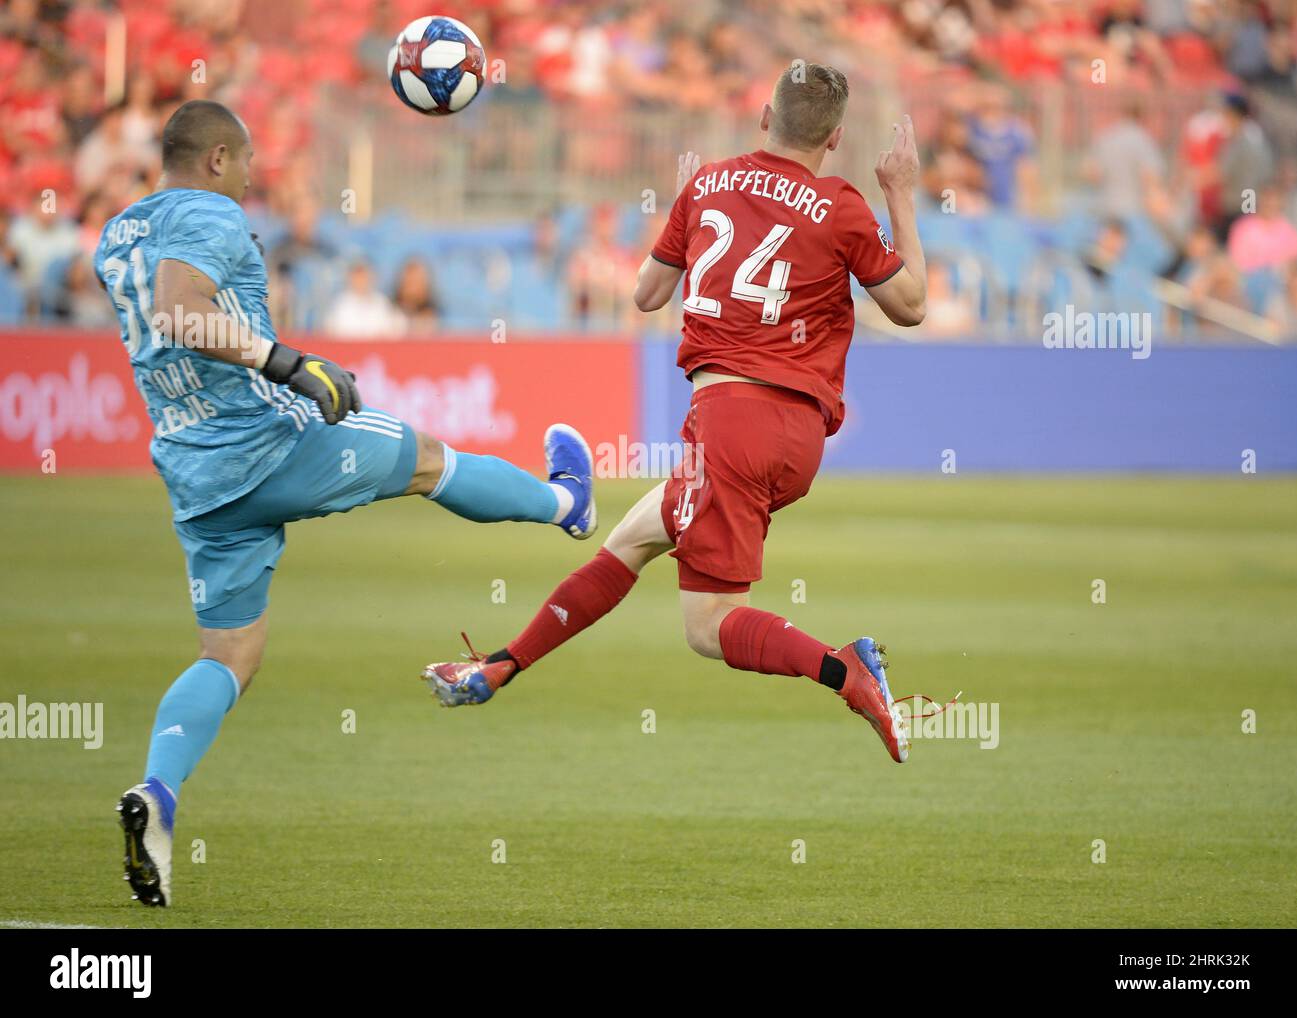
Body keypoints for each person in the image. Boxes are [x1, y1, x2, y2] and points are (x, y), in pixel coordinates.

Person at [95, 100, 597, 908]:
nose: (256, 175)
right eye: (249, 158)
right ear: (219, 157)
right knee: (431, 460)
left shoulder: (116, 234)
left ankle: (158, 793)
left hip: (194, 474)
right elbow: (181, 312)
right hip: (271, 442)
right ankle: (564, 504)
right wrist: (287, 362)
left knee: (228, 657)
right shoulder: (212, 212)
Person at [424, 64, 928, 764]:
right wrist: (901, 193)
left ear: (764, 114)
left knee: (707, 626)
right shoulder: (840, 204)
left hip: (729, 418)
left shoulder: (710, 183)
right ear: (836, 137)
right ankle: (500, 666)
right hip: (796, 433)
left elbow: (646, 294)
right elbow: (911, 306)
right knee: (633, 539)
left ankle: (847, 670)